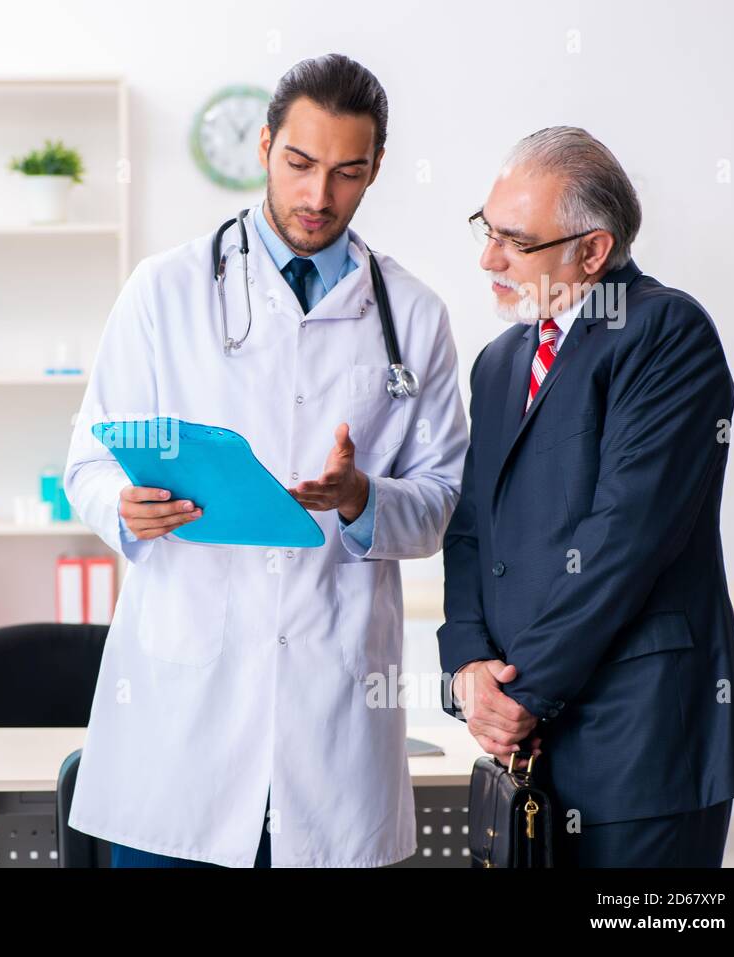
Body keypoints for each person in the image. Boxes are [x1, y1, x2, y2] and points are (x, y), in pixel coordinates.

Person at [62, 54, 468, 867]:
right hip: (182, 725)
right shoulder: (164, 290)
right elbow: (87, 460)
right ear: (264, 146)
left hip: (334, 719)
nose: (319, 196)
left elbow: (441, 500)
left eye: (348, 172)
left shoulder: (414, 316)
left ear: (377, 168)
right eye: (301, 164)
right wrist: (121, 506)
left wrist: (361, 498)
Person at [439, 126, 734, 867]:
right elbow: (470, 532)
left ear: (591, 251)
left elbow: (625, 538)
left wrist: (524, 696)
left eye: (514, 242)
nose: (488, 259)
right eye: (486, 232)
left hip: (641, 745)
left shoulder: (664, 331)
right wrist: (467, 668)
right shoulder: (497, 363)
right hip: (527, 753)